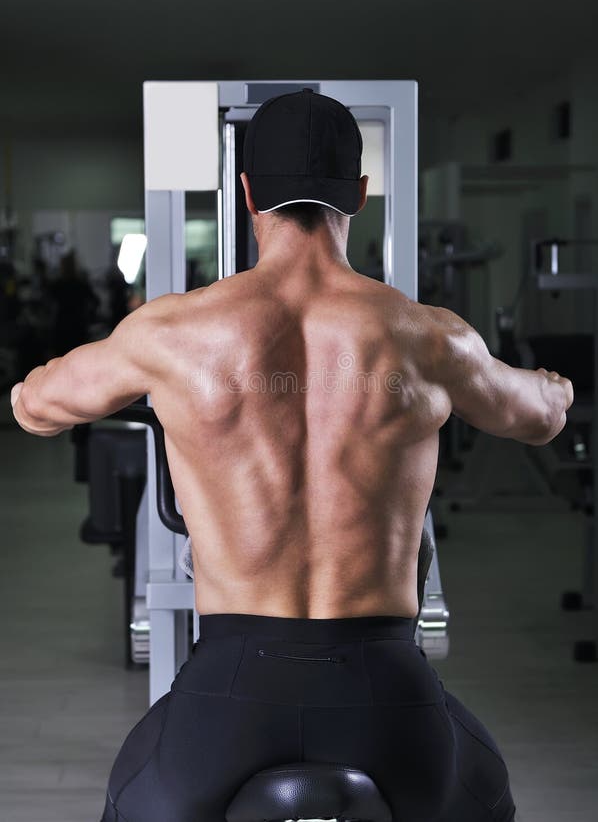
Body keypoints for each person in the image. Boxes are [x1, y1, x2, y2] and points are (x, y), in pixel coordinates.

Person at [11, 89, 573, 822]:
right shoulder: (433, 339)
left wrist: (112, 380)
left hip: (230, 695)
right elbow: (541, 419)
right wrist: (551, 384)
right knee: (484, 797)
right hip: (388, 693)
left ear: (246, 193)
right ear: (361, 194)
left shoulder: (173, 334)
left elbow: (33, 407)